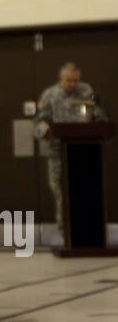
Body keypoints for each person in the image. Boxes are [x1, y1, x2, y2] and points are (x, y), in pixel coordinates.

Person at [34, 63, 105, 232]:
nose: (73, 84)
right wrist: (46, 129)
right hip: (58, 151)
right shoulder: (50, 95)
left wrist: (100, 124)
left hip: (84, 150)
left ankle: (86, 225)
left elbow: (97, 114)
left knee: (85, 188)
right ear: (61, 79)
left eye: (76, 80)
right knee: (59, 188)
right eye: (69, 81)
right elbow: (39, 121)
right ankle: (64, 225)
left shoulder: (86, 90)